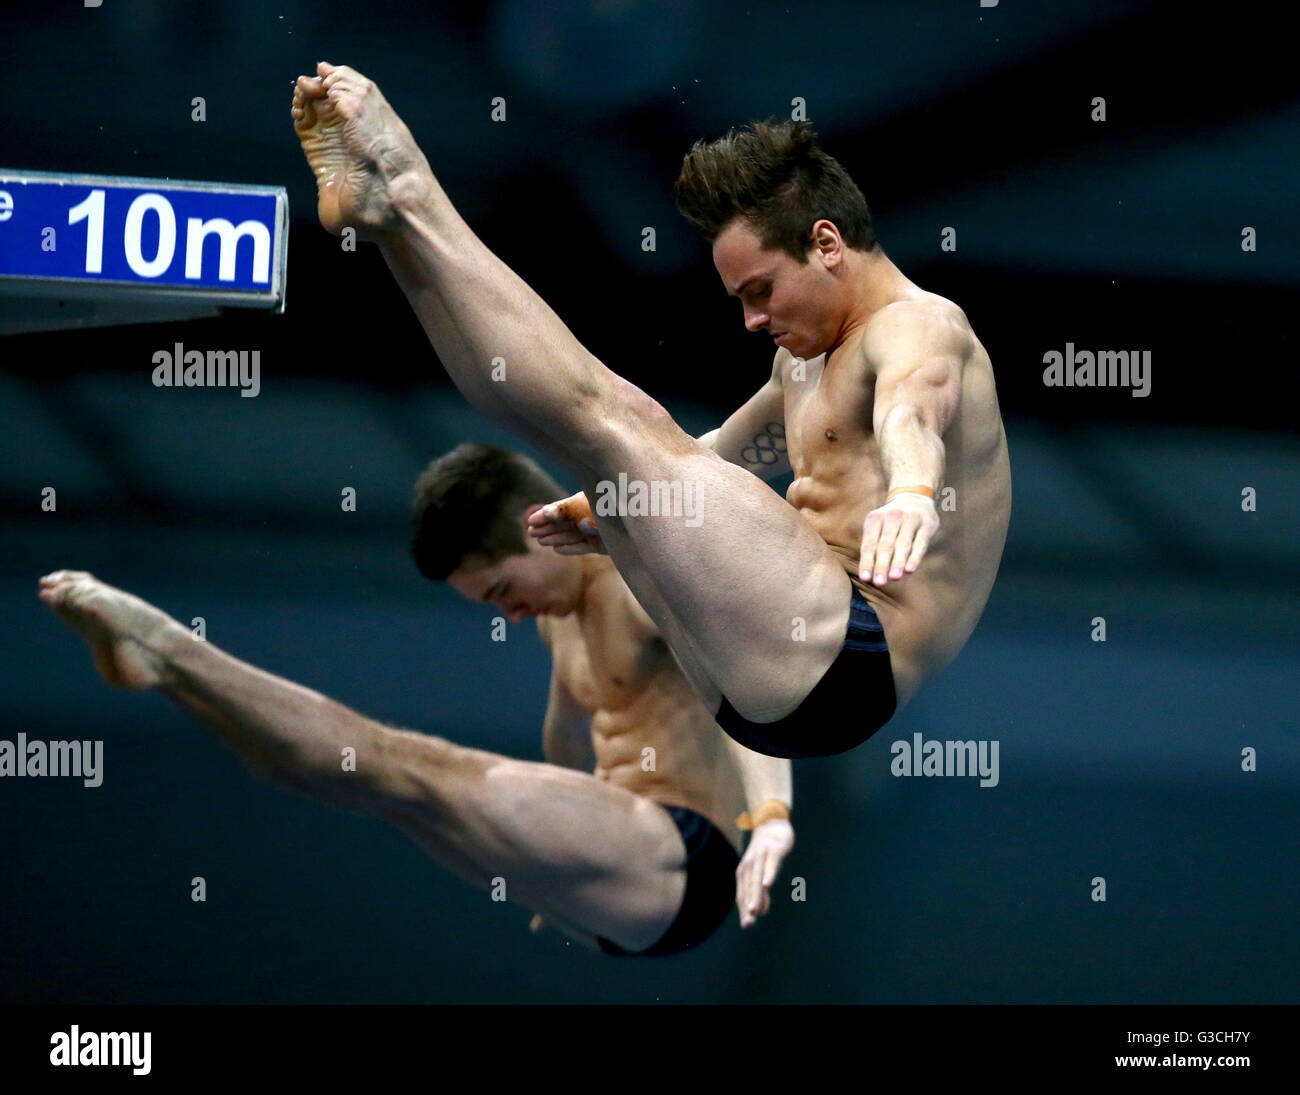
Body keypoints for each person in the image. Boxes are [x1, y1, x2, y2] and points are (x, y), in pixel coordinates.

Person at [291, 62, 1011, 759]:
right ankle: (391, 229)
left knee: (611, 417)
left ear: (826, 244)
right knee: (585, 445)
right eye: (741, 300)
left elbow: (912, 410)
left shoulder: (919, 325)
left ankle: (411, 186)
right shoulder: (805, 359)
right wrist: (625, 508)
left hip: (850, 654)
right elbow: (726, 452)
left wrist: (913, 493)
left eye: (761, 291)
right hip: (762, 685)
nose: (752, 320)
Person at [36, 445, 794, 957]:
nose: (509, 613)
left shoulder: (637, 583)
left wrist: (770, 814)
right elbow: (567, 731)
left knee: (406, 763)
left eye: (503, 588)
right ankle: (164, 675)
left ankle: (171, 646)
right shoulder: (558, 618)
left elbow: (744, 695)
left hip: (688, 856)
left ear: (538, 528)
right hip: (617, 871)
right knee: (352, 783)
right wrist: (554, 854)